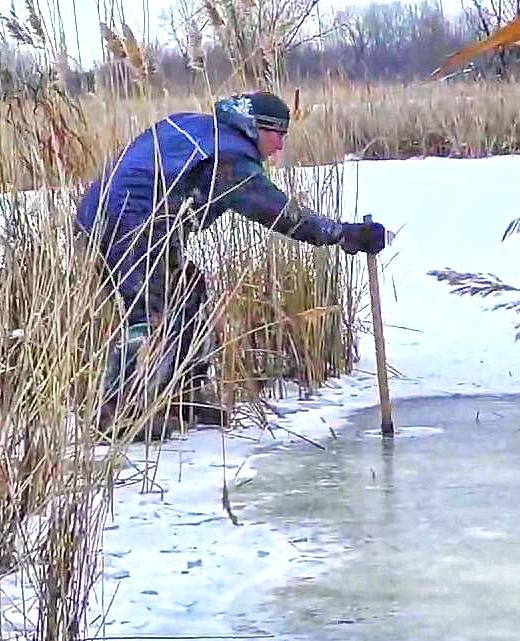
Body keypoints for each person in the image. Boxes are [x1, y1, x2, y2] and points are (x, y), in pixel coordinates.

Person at [75, 90, 388, 440]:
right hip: (132, 223)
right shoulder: (229, 158)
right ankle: (117, 414)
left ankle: (182, 398)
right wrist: (343, 234)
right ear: (255, 128)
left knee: (188, 293)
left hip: (111, 216)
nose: (280, 147)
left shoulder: (201, 129)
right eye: (277, 135)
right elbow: (282, 215)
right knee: (151, 311)